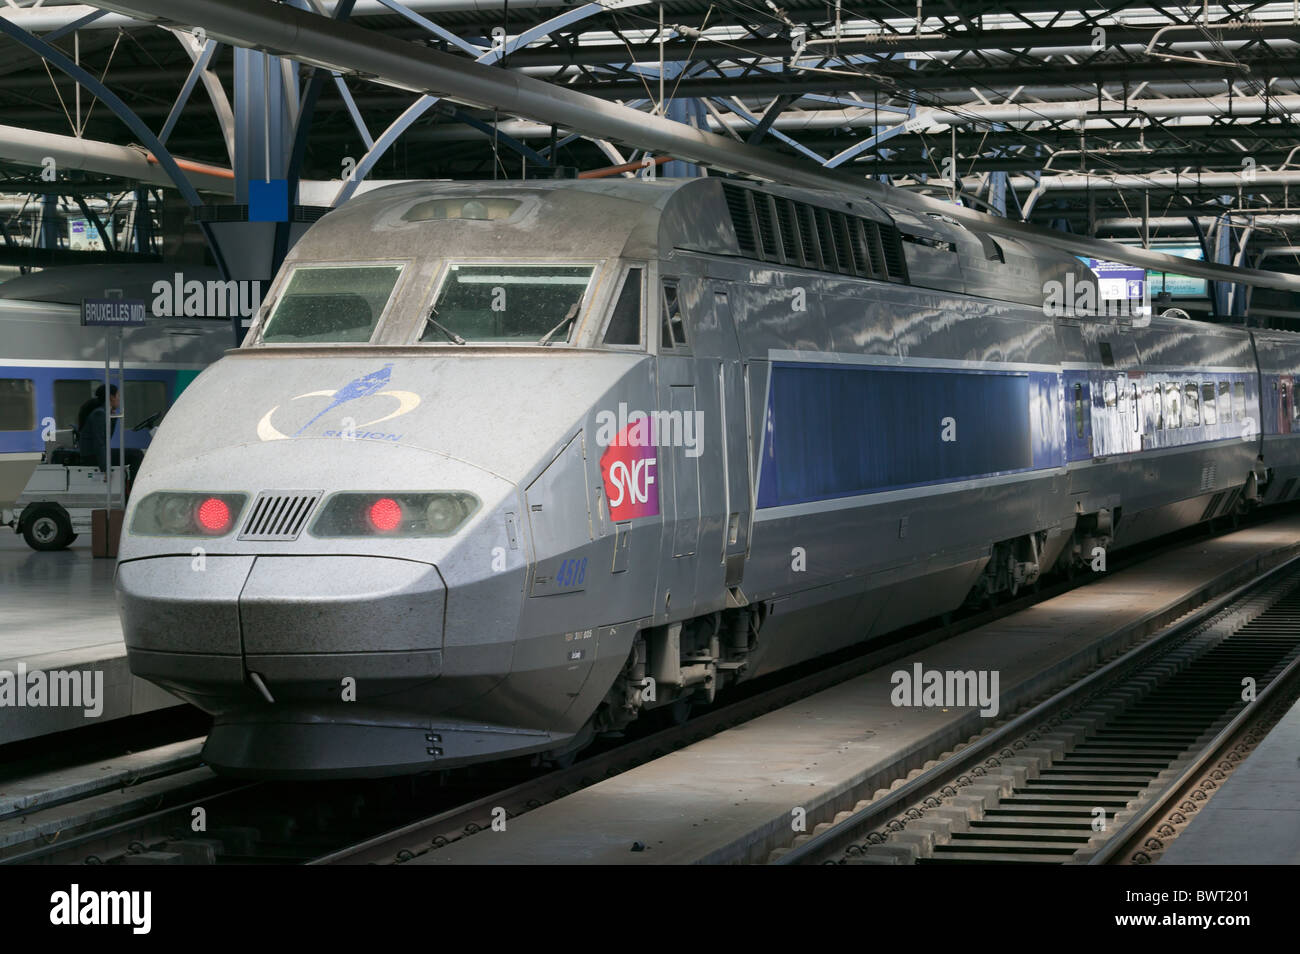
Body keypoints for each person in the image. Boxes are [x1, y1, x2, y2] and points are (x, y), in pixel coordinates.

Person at [78, 384, 145, 480]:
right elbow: (99, 442)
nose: (119, 399)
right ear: (111, 397)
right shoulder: (99, 414)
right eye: (118, 396)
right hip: (92, 456)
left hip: (92, 455)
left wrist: (113, 419)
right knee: (136, 454)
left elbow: (106, 438)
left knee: (135, 454)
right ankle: (134, 489)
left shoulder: (103, 412)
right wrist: (105, 468)